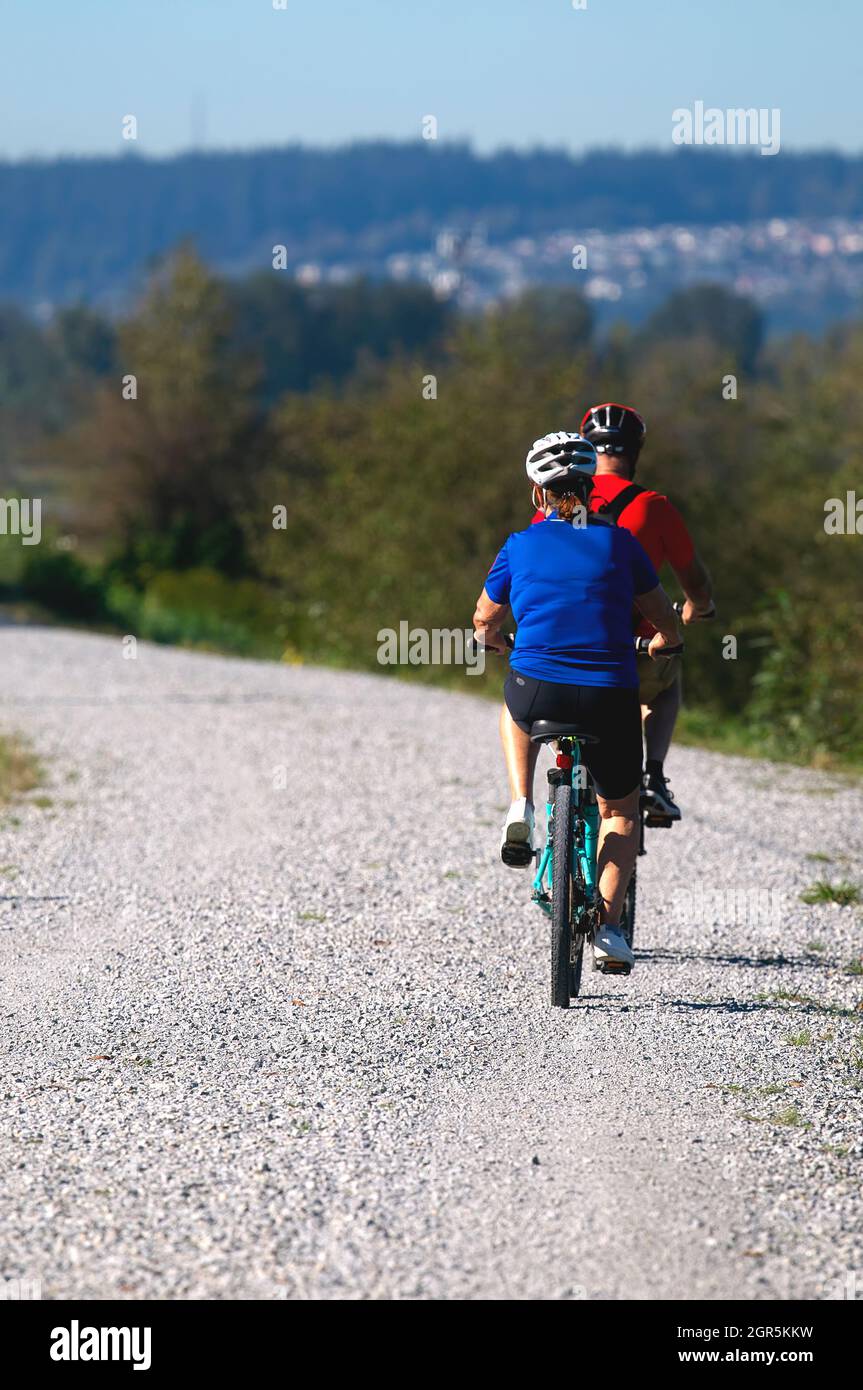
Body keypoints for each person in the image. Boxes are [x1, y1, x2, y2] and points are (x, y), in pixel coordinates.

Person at [473, 432, 681, 969]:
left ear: (536, 494)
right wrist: (665, 641)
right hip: (609, 696)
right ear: (592, 491)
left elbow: (483, 621)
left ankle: (521, 800)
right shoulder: (619, 544)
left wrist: (497, 643)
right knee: (620, 811)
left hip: (538, 687)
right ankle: (610, 931)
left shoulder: (519, 545)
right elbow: (661, 616)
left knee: (514, 701)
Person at [574, 403, 715, 820]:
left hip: (559, 649)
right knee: (668, 674)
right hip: (629, 651)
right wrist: (698, 607)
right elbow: (694, 578)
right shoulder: (654, 507)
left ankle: (523, 804)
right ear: (635, 451)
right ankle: (653, 775)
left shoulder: (558, 501)